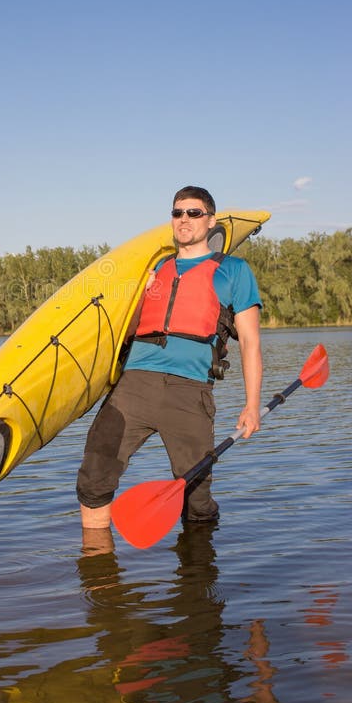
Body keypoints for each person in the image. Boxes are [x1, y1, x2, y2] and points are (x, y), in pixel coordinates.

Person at [77, 186, 263, 530]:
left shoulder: (234, 270)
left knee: (196, 497)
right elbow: (119, 327)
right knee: (94, 478)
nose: (184, 219)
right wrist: (139, 293)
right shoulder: (153, 269)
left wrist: (252, 405)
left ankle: (199, 574)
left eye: (194, 213)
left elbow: (250, 343)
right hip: (133, 387)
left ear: (211, 221)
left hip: (189, 392)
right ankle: (97, 567)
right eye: (177, 213)